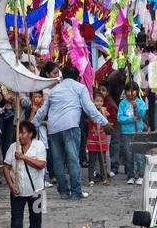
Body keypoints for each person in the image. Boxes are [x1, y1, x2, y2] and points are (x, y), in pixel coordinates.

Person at [34, 64, 111, 201]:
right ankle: (76, 192)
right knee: (73, 159)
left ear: (62, 76)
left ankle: (64, 191)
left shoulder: (54, 90)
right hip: (70, 126)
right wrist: (104, 122)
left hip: (54, 128)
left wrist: (31, 125)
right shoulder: (80, 88)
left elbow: (42, 112)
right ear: (77, 78)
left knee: (58, 161)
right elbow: (90, 109)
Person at [3, 119, 47, 228]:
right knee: (16, 219)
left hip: (37, 189)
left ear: (30, 134)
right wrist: (11, 185)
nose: (20, 136)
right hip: (18, 190)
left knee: (36, 219)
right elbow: (6, 166)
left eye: (23, 133)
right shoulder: (13, 147)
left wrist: (23, 157)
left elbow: (41, 164)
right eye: (19, 133)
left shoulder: (39, 146)